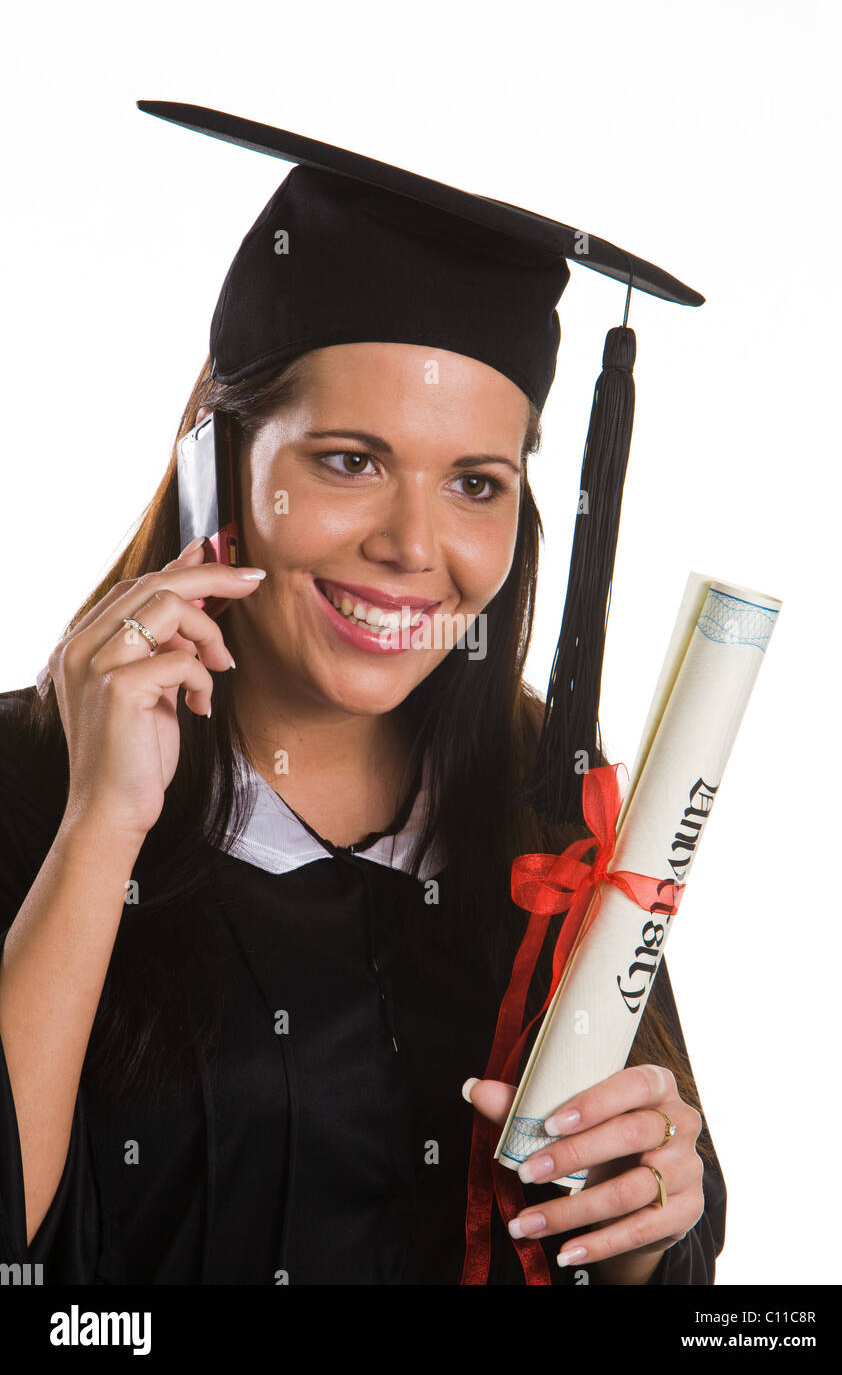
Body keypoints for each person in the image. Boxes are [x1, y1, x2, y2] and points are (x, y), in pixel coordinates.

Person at [0, 105, 726, 1286]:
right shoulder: (28, 786)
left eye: (476, 483)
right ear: (217, 460)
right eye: (349, 460)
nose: (411, 544)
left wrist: (650, 1222)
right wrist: (99, 829)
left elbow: (636, 1262)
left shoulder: (547, 823)